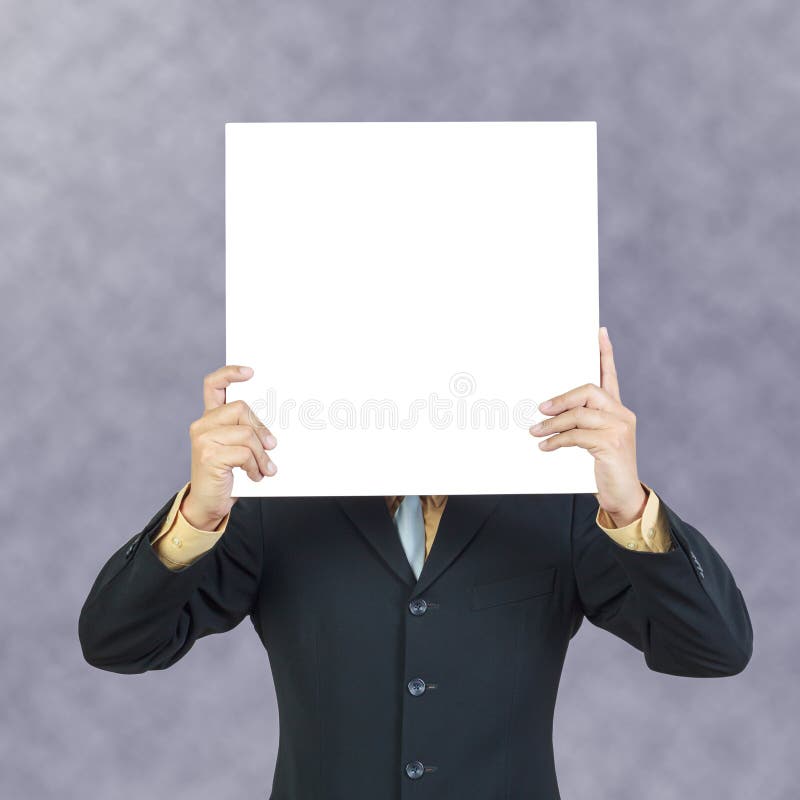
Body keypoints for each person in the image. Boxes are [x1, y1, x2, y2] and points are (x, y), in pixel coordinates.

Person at [79, 327, 752, 799]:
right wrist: (199, 509)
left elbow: (713, 648)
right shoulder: (272, 498)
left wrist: (628, 499)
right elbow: (118, 642)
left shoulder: (561, 502)